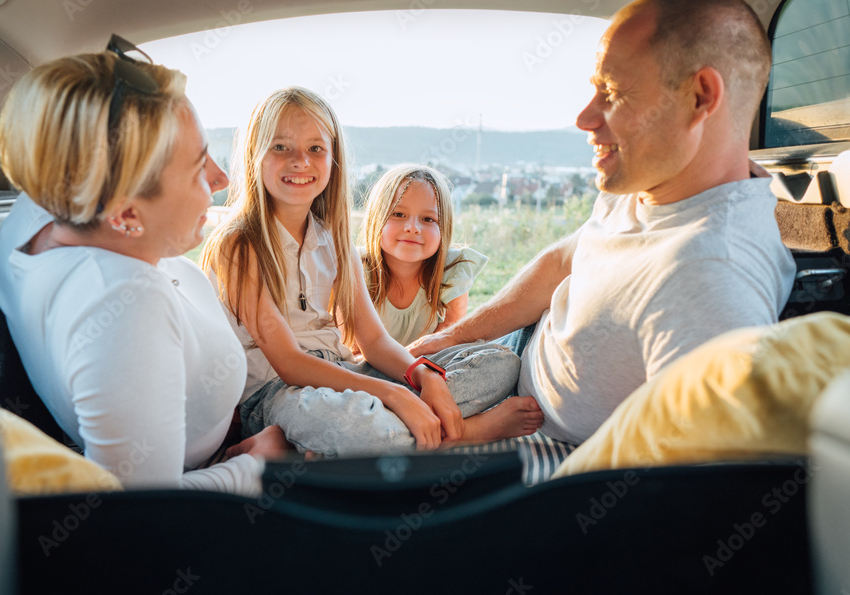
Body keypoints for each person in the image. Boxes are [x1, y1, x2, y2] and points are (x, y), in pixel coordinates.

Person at [411, 0, 796, 446]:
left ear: (700, 96)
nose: (584, 118)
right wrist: (451, 338)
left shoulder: (710, 276)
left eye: (612, 93)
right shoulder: (649, 184)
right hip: (509, 365)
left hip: (545, 446)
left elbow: (689, 482)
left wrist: (470, 438)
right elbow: (563, 261)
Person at [0, 39, 288, 496]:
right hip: (235, 463)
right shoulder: (123, 309)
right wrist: (256, 468)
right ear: (127, 214)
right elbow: (143, 512)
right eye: (196, 169)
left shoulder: (45, 205)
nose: (221, 178)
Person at [201, 87, 543, 457]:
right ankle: (463, 433)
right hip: (277, 393)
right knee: (359, 428)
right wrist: (393, 393)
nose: (300, 161)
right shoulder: (238, 244)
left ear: (333, 160)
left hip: (345, 374)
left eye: (316, 148)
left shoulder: (333, 242)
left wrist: (422, 377)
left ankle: (398, 430)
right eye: (280, 147)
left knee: (501, 364)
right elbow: (288, 362)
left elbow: (375, 343)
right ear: (255, 156)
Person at [358, 164, 488, 347]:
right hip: (366, 366)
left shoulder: (452, 269)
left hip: (427, 363)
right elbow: (353, 349)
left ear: (444, 228)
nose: (413, 228)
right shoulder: (356, 268)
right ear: (375, 219)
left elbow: (445, 344)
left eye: (428, 219)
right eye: (398, 214)